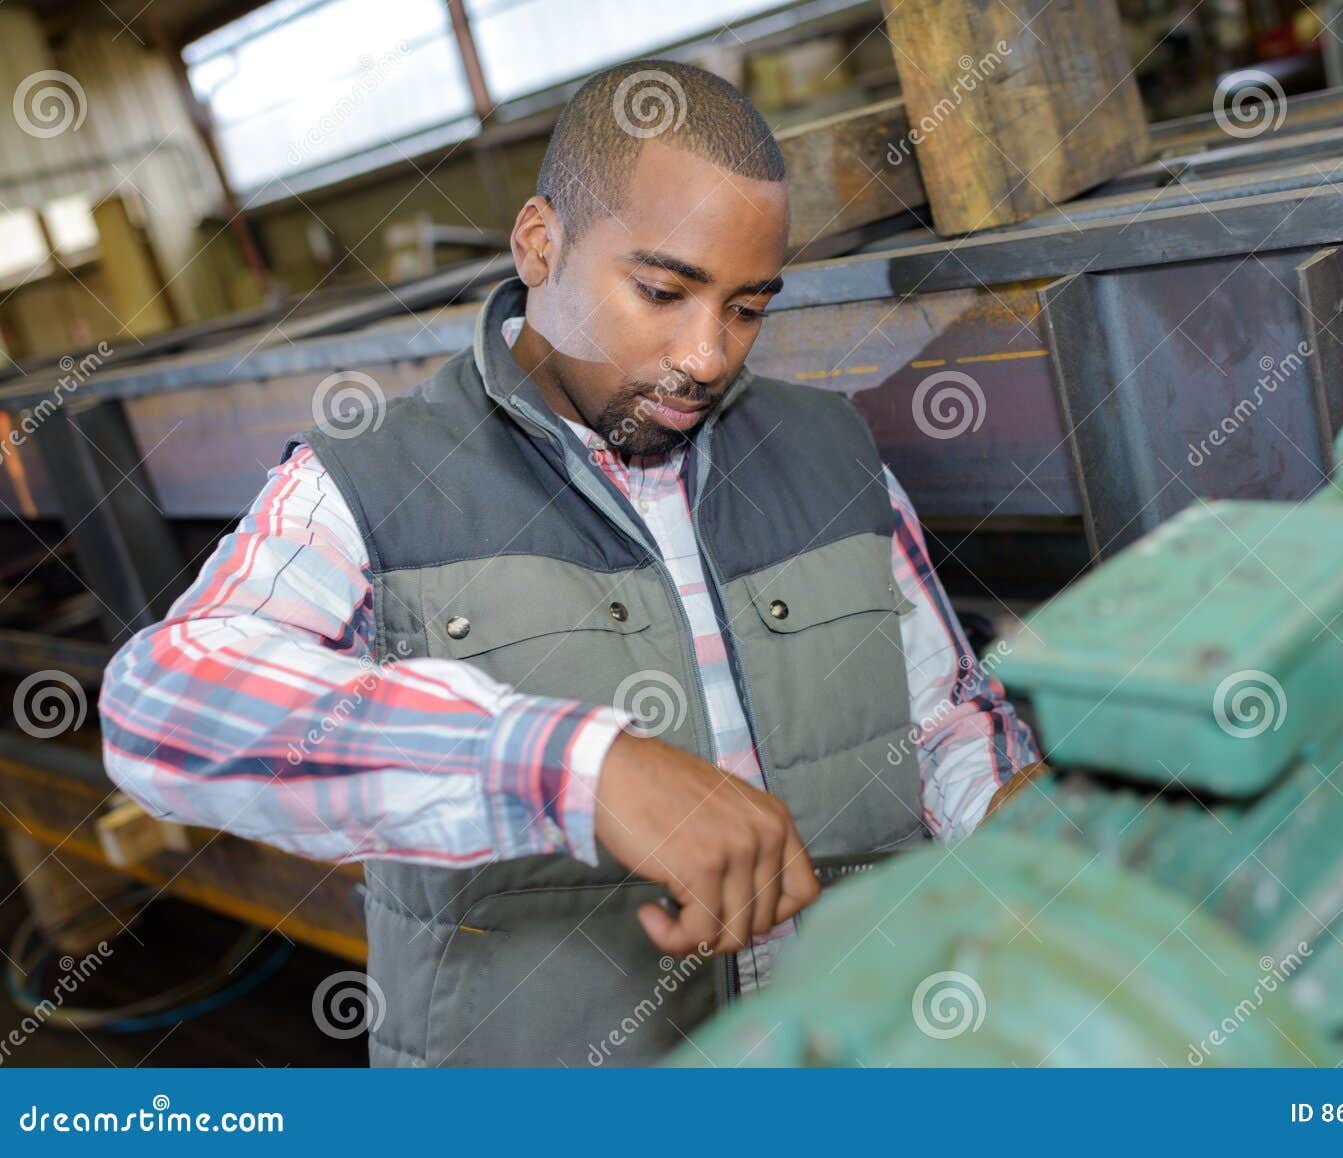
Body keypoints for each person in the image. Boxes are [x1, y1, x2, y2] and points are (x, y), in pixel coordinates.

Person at [99, 58, 1042, 1067]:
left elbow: (941, 713)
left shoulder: (832, 452)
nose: (707, 355)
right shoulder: (372, 483)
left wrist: (1014, 815)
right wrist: (576, 769)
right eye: (662, 290)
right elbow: (162, 708)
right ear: (541, 243)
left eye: (746, 306)